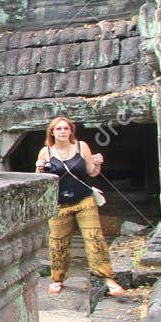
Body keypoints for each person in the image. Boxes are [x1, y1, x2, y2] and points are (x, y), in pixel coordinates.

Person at [35, 116, 125, 297]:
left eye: (65, 128)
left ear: (71, 131)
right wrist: (39, 168)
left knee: (94, 237)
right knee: (58, 242)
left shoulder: (81, 147)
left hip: (84, 200)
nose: (62, 132)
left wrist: (98, 163)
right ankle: (57, 279)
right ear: (52, 132)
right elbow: (40, 180)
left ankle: (107, 278)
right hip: (59, 204)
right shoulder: (46, 152)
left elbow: (92, 172)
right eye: (58, 129)